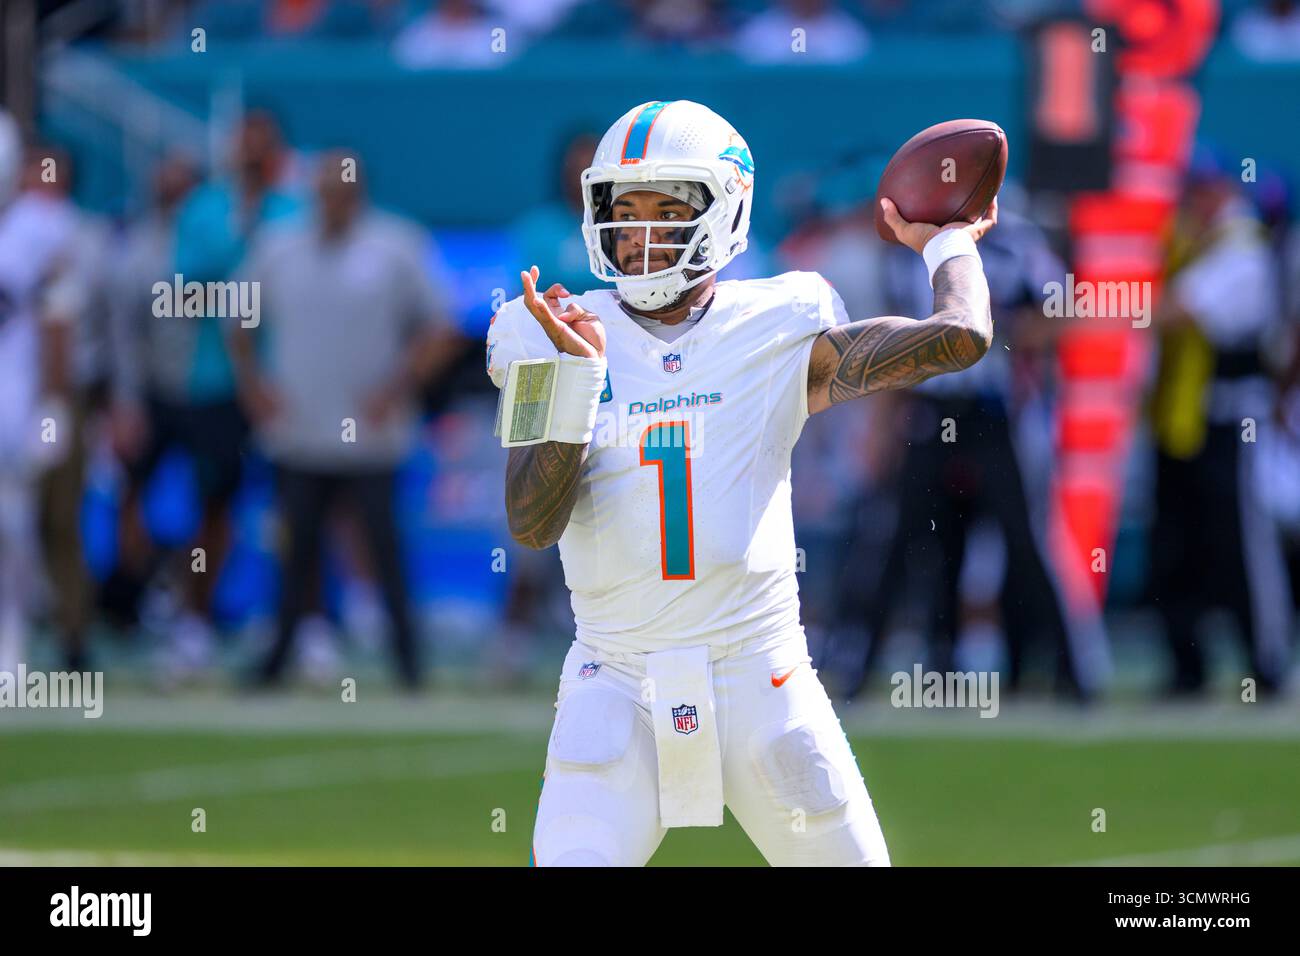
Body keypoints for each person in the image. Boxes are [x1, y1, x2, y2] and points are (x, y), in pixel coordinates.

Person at [487, 100, 996, 866]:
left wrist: (949, 244)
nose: (642, 232)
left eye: (667, 207)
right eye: (624, 210)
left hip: (762, 676)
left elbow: (963, 337)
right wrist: (575, 385)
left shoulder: (778, 321)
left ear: (723, 212)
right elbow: (529, 523)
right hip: (615, 682)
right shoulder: (552, 333)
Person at [231, 151, 457, 689]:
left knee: (384, 551)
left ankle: (408, 664)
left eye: (339, 187)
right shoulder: (279, 246)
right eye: (322, 187)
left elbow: (441, 330)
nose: (329, 198)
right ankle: (278, 659)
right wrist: (254, 388)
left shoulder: (396, 246)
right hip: (299, 431)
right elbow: (237, 318)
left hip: (371, 436)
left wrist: (396, 388)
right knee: (296, 554)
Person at [1149, 147, 1295, 696]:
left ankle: (1267, 663)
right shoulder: (1188, 242)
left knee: (1240, 545)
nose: (1193, 200)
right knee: (1175, 546)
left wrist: (1110, 306)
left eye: (1203, 189)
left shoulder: (1242, 247)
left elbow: (1180, 310)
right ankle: (1186, 669)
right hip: (1181, 421)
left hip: (1234, 422)